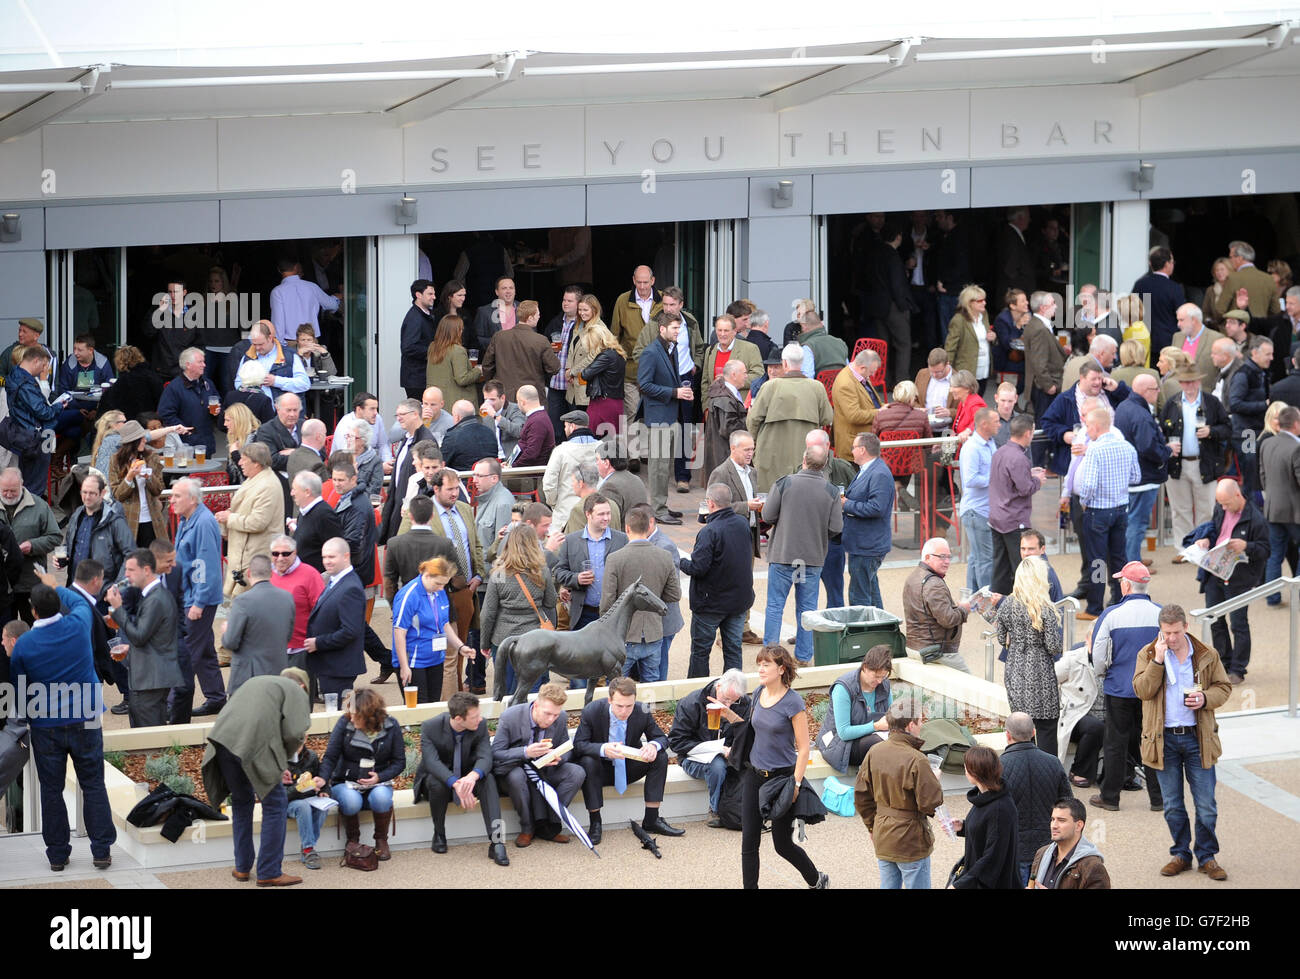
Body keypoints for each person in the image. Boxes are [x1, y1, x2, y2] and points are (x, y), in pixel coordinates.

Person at [10, 579, 116, 872]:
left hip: (47, 725)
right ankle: (101, 850)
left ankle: (57, 855)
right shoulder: (79, 625)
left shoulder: (25, 645)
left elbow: (20, 691)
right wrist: (56, 586)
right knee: (93, 783)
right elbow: (84, 601)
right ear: (59, 606)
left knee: (51, 789)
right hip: (86, 719)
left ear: (32, 612)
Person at [713, 645, 827, 889]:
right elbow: (751, 729)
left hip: (782, 780)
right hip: (754, 776)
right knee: (749, 843)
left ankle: (816, 879)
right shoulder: (758, 692)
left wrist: (796, 783)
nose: (761, 669)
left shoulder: (793, 703)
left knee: (782, 845)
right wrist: (729, 715)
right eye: (759, 664)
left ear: (781, 669)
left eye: (767, 664)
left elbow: (804, 748)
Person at [1133, 604, 1231, 881]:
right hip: (1164, 741)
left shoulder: (1206, 654)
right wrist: (1158, 662)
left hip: (1197, 738)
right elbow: (1142, 690)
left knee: (1206, 804)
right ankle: (1181, 854)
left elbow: (1223, 688)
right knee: (1173, 804)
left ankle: (1207, 856)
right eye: (1167, 633)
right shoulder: (1150, 653)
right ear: (1160, 630)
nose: (1172, 638)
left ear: (1186, 627)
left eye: (1176, 632)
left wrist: (1204, 699)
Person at [200, 670, 311, 886]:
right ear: (302, 687)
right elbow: (294, 732)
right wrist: (285, 759)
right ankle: (269, 871)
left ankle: (242, 868)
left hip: (222, 744)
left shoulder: (257, 682)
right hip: (253, 746)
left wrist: (279, 766)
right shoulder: (295, 691)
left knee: (242, 801)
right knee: (275, 804)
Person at [1088, 560, 1165, 813]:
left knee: (1115, 743)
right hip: (1152, 688)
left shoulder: (1112, 614)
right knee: (1152, 740)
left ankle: (1110, 796)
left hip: (1119, 686)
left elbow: (1098, 654)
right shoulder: (1160, 613)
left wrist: (1102, 674)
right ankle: (1158, 797)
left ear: (1126, 585)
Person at [573, 676, 684, 844]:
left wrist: (653, 746)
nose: (624, 711)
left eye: (629, 706)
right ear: (610, 700)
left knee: (659, 755)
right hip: (599, 770)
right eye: (619, 706)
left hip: (628, 767)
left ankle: (652, 819)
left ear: (635, 700)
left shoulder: (641, 710)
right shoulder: (592, 710)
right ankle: (595, 822)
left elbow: (661, 738)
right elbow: (579, 745)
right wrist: (603, 749)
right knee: (588, 761)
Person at [762, 443, 842, 665]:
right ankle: (804, 657)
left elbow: (768, 515)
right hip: (812, 557)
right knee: (807, 608)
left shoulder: (785, 482)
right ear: (825, 464)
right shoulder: (832, 491)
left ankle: (769, 655)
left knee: (775, 605)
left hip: (783, 554)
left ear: (803, 460)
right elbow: (836, 528)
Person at [854, 694, 942, 889]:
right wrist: (934, 781)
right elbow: (929, 804)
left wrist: (872, 826)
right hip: (910, 840)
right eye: (920, 721)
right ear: (911, 725)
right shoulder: (917, 759)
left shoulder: (874, 752)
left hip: (883, 835)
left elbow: (861, 796)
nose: (922, 725)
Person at [418, 691, 510, 866]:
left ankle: (497, 841)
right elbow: (432, 763)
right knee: (437, 783)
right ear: (459, 719)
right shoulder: (430, 727)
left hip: (469, 775)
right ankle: (439, 833)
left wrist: (472, 777)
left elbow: (485, 757)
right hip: (440, 779)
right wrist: (456, 783)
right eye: (474, 716)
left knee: (488, 779)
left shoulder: (480, 726)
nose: (480, 719)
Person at [492, 680, 585, 846]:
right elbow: (496, 753)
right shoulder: (510, 716)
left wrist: (559, 757)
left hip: (546, 768)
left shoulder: (560, 717)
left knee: (577, 772)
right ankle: (528, 828)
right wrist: (525, 752)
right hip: (515, 768)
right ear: (535, 706)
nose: (551, 719)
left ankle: (550, 825)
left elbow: (566, 748)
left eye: (555, 715)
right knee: (517, 777)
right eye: (547, 714)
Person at [1193, 479, 1268, 685]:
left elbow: (1265, 550)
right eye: (1221, 504)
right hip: (1215, 572)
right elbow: (1216, 530)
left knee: (1238, 623)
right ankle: (1224, 663)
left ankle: (1237, 669)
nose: (1223, 507)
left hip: (1239, 579)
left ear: (1237, 495)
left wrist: (1246, 546)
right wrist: (1207, 539)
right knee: (1215, 620)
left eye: (1226, 503)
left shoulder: (1256, 519)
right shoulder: (1221, 508)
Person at [316, 687, 403, 860]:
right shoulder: (345, 722)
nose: (352, 718)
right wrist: (323, 778)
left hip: (378, 782)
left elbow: (399, 762)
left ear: (370, 715)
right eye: (351, 714)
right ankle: (353, 840)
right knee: (351, 800)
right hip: (346, 781)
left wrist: (380, 777)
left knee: (382, 798)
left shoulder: (391, 726)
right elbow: (330, 757)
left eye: (356, 716)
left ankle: (381, 840)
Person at [681, 484, 754, 677]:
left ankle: (697, 694)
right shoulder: (741, 523)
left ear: (710, 503)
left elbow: (697, 568)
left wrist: (679, 562)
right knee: (733, 650)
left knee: (700, 652)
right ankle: (734, 695)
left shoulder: (709, 532)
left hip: (710, 604)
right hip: (738, 602)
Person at [105, 548, 184, 728]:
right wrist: (130, 648)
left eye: (131, 570)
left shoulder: (156, 599)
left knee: (149, 740)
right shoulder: (150, 595)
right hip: (148, 677)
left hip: (151, 680)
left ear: (146, 570)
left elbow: (139, 636)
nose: (126, 575)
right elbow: (152, 637)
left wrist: (118, 610)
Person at [600, 505, 680, 680]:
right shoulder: (664, 556)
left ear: (627, 528)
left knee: (616, 685)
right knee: (651, 686)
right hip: (653, 632)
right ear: (648, 527)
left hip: (624, 635)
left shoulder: (615, 559)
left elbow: (607, 603)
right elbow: (675, 595)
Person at [1160, 364, 1230, 562]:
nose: (1188, 385)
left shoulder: (1212, 402)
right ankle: (1184, 550)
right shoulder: (1171, 403)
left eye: (1191, 381)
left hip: (1205, 463)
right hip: (1177, 465)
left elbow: (1227, 428)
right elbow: (1161, 431)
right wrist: (1166, 445)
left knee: (1206, 509)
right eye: (1184, 381)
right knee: (1179, 509)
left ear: (1198, 381)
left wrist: (1212, 432)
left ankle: (1203, 549)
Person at [1075, 407, 1141, 618]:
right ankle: (1120, 599)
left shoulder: (1095, 449)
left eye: (1088, 427)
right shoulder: (1127, 446)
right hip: (1120, 509)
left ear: (1095, 426)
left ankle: (1095, 607)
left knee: (1097, 561)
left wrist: (1084, 502)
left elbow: (1089, 485)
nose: (1087, 431)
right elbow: (1136, 477)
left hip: (1098, 512)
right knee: (1118, 558)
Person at [169, 477, 226, 716]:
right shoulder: (186, 519)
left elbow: (206, 565)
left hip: (197, 599)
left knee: (187, 653)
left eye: (176, 496)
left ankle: (172, 706)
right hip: (188, 596)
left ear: (192, 499)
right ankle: (216, 697)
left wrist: (198, 603)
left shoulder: (203, 522)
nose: (171, 500)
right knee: (203, 650)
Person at [747, 342, 834, 493]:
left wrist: (753, 445)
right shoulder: (816, 387)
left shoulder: (769, 387)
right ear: (802, 362)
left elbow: (752, 421)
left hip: (770, 454)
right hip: (805, 454)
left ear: (784, 363)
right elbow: (827, 418)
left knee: (771, 499)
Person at [1000, 712, 1072, 887]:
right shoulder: (1053, 763)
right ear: (1034, 732)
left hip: (1013, 848)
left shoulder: (998, 766)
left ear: (1008, 734)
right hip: (1048, 847)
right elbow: (1069, 805)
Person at [668, 668, 750, 824]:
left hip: (730, 753)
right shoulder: (692, 703)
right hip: (693, 756)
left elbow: (747, 734)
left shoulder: (744, 703)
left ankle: (746, 808)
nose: (729, 705)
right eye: (725, 699)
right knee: (717, 766)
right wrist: (715, 748)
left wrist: (735, 748)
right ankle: (715, 810)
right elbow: (677, 742)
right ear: (718, 686)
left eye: (734, 701)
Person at [392, 555, 473, 705]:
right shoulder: (409, 595)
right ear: (427, 575)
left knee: (433, 704)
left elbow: (444, 624)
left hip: (436, 657)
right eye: (438, 583)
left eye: (444, 584)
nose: (441, 588)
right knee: (418, 708)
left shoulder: (439, 591)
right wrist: (404, 666)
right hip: (413, 661)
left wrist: (460, 646)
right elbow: (399, 632)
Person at [638, 311, 694, 523]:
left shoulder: (673, 350)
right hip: (658, 416)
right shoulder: (651, 352)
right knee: (658, 466)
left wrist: (680, 390)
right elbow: (644, 385)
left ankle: (661, 505)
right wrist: (674, 393)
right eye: (674, 328)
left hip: (671, 415)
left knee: (664, 466)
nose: (678, 332)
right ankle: (658, 510)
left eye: (679, 328)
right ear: (662, 329)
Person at [1114, 373, 1171, 563]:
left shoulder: (1123, 407)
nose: (1158, 392)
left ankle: (1130, 557)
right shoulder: (1141, 414)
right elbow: (1147, 446)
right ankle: (1132, 562)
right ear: (1146, 391)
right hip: (1144, 478)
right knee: (1137, 523)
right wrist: (1166, 452)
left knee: (1130, 522)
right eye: (1156, 389)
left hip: (1130, 476)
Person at [554, 492, 627, 641]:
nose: (606, 518)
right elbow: (559, 571)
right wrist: (576, 578)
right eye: (601, 514)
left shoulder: (622, 539)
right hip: (583, 614)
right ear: (588, 514)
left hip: (613, 614)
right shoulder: (571, 541)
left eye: (608, 513)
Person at [987, 416, 1047, 595]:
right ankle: (1025, 607)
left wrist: (1029, 474)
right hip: (1014, 520)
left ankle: (998, 607)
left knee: (1000, 569)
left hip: (997, 517)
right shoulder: (1019, 458)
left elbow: (1008, 480)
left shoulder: (1000, 452)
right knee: (1022, 568)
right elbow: (1025, 488)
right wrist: (1037, 481)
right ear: (1028, 433)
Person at [222, 553, 295, 698]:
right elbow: (287, 635)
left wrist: (226, 631)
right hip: (278, 672)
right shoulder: (287, 598)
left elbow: (231, 642)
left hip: (248, 677)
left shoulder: (242, 601)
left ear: (248, 573)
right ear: (271, 572)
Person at [304, 538, 366, 702]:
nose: (326, 562)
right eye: (324, 557)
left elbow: (350, 631)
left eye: (332, 557)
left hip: (339, 668)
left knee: (344, 717)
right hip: (331, 665)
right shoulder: (336, 581)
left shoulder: (350, 587)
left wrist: (318, 642)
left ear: (346, 556)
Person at [950, 746, 1020, 889]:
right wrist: (963, 827)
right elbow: (985, 830)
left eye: (966, 767)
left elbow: (992, 855)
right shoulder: (984, 797)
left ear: (974, 772)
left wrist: (961, 884)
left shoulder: (1000, 808)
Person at [0, 467, 61, 622]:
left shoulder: (39, 506)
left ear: (22, 484)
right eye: (4, 490)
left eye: (13, 491)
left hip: (30, 582)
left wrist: (33, 545)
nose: (8, 494)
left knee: (33, 626)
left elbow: (55, 536)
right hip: (3, 585)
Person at [902, 538, 972, 673]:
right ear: (927, 557)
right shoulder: (934, 584)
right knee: (972, 688)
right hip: (935, 652)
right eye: (942, 557)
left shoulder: (913, 576)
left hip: (915, 647)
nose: (947, 562)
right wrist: (964, 609)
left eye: (949, 557)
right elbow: (948, 619)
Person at [8, 346, 69, 495]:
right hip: (38, 437)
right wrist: (59, 407)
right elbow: (43, 412)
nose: (44, 371)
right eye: (44, 366)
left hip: (24, 435)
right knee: (36, 485)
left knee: (27, 480)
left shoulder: (14, 375)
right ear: (36, 361)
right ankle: (34, 516)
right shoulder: (25, 383)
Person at [843, 432, 895, 608]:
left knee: (860, 597)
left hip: (868, 545)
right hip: (863, 543)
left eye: (854, 447)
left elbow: (876, 508)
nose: (852, 451)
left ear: (862, 450)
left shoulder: (878, 473)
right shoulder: (869, 470)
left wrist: (846, 504)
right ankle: (881, 631)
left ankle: (864, 633)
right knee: (870, 591)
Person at [822, 645, 893, 774]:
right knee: (879, 744)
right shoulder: (843, 688)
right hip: (841, 744)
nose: (879, 681)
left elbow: (891, 718)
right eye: (876, 676)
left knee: (904, 740)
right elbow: (844, 732)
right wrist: (876, 726)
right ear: (865, 667)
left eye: (883, 676)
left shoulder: (884, 685)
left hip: (875, 737)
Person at [269, 535, 325, 680]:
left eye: (285, 553)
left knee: (301, 698)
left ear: (295, 553)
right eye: (275, 554)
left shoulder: (310, 574)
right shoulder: (267, 575)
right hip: (272, 650)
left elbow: (321, 611)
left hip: (301, 649)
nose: (280, 558)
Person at [1259, 405, 1300, 602]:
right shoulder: (1296, 447)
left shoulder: (1267, 444)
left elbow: (1263, 476)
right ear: (1295, 424)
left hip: (1272, 508)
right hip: (1295, 512)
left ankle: (1272, 597)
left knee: (1275, 555)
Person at [379, 398, 433, 543]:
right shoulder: (406, 438)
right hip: (398, 503)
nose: (398, 418)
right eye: (397, 415)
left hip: (411, 509)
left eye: (402, 414)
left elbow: (426, 479)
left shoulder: (426, 441)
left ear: (415, 414)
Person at [1029, 797, 1112, 889]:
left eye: (1061, 820)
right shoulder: (1041, 853)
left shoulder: (1093, 867)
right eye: (1053, 819)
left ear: (1078, 825)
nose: (1054, 826)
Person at [1227, 335, 1272, 497]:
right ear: (1255, 353)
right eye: (1268, 354)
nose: (1271, 358)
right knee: (1250, 475)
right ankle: (1248, 513)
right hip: (1246, 433)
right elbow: (1235, 404)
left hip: (1257, 432)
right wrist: (1265, 405)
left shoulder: (1261, 373)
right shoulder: (1243, 374)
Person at [958, 407, 998, 592]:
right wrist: (998, 478)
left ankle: (973, 596)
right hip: (976, 511)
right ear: (984, 424)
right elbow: (971, 480)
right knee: (985, 558)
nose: (999, 424)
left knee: (977, 556)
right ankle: (987, 601)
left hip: (983, 510)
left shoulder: (990, 443)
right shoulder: (972, 448)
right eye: (996, 421)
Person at [542, 410, 601, 530]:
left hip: (566, 515)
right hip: (596, 511)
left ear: (572, 426)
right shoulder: (602, 448)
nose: (564, 430)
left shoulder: (560, 451)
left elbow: (549, 484)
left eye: (565, 426)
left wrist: (555, 504)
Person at [157, 347, 220, 456]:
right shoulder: (174, 387)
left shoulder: (208, 383)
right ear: (188, 365)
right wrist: (186, 431)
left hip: (205, 441)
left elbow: (217, 400)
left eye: (204, 361)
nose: (204, 365)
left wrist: (218, 410)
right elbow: (165, 413)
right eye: (200, 362)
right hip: (185, 446)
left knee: (204, 472)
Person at [229, 320, 311, 401]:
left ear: (270, 338)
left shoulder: (290, 355)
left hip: (284, 412)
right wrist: (253, 389)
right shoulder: (247, 356)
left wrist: (276, 381)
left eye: (261, 344)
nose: (257, 348)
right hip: (256, 411)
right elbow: (238, 383)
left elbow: (304, 384)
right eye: (254, 344)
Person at [701, 359, 750, 486]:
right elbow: (729, 429)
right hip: (723, 456)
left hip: (722, 455)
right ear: (734, 375)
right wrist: (749, 418)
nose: (746, 376)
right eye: (744, 373)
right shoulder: (724, 398)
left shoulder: (724, 394)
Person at [830, 348, 884, 460]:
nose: (873, 375)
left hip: (863, 441)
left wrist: (888, 408)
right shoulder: (845, 383)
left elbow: (870, 402)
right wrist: (880, 413)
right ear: (862, 367)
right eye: (872, 371)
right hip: (854, 446)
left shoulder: (859, 375)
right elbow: (854, 415)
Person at [425, 314, 482, 406]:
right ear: (456, 331)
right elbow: (462, 379)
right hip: (458, 404)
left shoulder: (432, 347)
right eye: (461, 329)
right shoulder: (457, 350)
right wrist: (478, 370)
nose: (462, 331)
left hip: (438, 402)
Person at [944, 285, 993, 390]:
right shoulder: (959, 320)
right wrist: (948, 371)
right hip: (966, 370)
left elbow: (988, 335)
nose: (984, 303)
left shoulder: (984, 315)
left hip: (984, 367)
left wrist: (993, 336)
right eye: (980, 300)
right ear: (969, 303)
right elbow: (950, 348)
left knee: (979, 399)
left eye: (984, 300)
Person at [1217, 240, 1280, 319]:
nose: (1230, 260)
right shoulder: (1268, 279)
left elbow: (1220, 310)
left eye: (1231, 257)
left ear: (1239, 258)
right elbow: (1276, 311)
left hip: (1240, 329)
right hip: (1262, 329)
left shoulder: (1233, 278)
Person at [401, 278, 438, 398]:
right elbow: (409, 348)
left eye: (434, 293)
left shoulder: (425, 314)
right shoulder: (415, 318)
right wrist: (434, 351)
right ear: (418, 295)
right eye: (430, 294)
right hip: (416, 378)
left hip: (421, 376)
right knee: (418, 413)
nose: (434, 297)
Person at [439, 399, 499, 471]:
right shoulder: (489, 432)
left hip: (464, 480)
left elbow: (442, 463)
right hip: (490, 478)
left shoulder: (452, 437)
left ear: (457, 417)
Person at [471, 275, 518, 355]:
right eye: (504, 288)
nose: (508, 291)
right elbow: (477, 340)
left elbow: (532, 336)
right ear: (497, 292)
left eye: (511, 288)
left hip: (520, 360)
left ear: (515, 291)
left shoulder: (524, 309)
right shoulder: (484, 311)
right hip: (496, 360)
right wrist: (500, 342)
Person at [480, 380, 525, 461]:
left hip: (511, 458)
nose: (488, 403)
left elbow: (519, 431)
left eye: (492, 400)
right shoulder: (486, 415)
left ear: (502, 398)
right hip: (493, 458)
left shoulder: (515, 409)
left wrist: (496, 416)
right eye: (486, 400)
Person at [512, 384, 555, 467]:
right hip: (529, 470)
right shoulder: (538, 418)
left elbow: (531, 453)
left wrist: (512, 466)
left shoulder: (538, 421)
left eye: (517, 401)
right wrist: (509, 463)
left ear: (522, 402)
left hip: (532, 474)